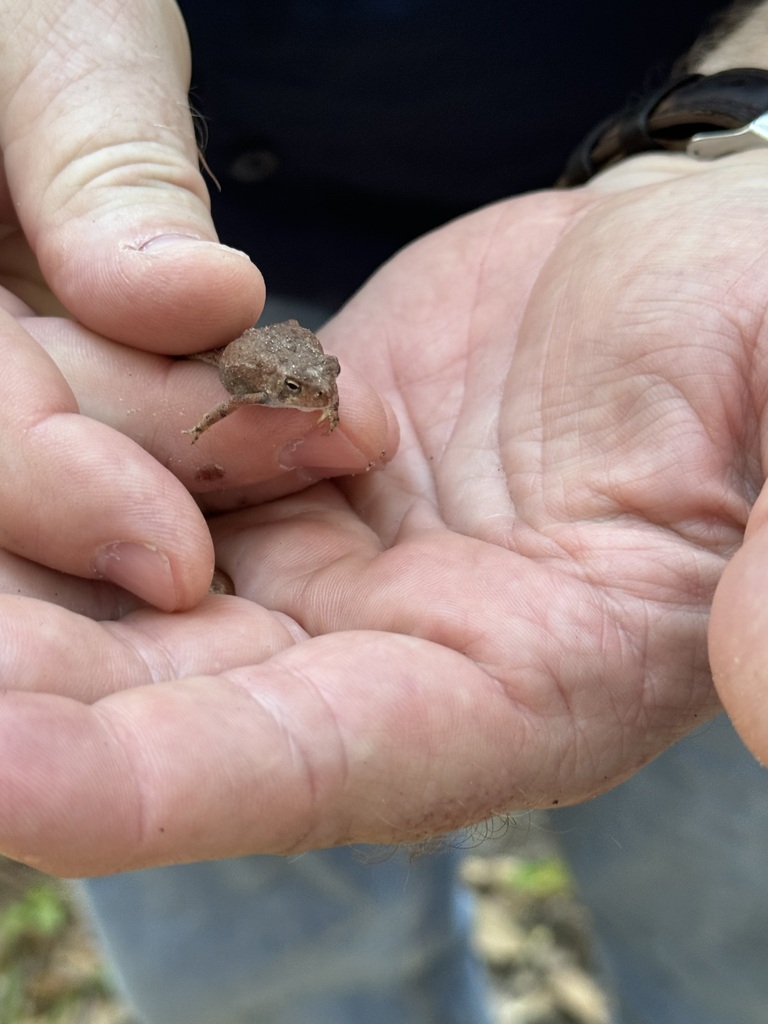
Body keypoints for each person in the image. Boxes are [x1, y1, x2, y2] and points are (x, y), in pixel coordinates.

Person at [0, 1, 767, 1021]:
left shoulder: (311, 387)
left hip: (615, 231)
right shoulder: (242, 382)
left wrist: (741, 137)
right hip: (120, 320)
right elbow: (230, 398)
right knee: (249, 913)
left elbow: (297, 391)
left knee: (726, 922)